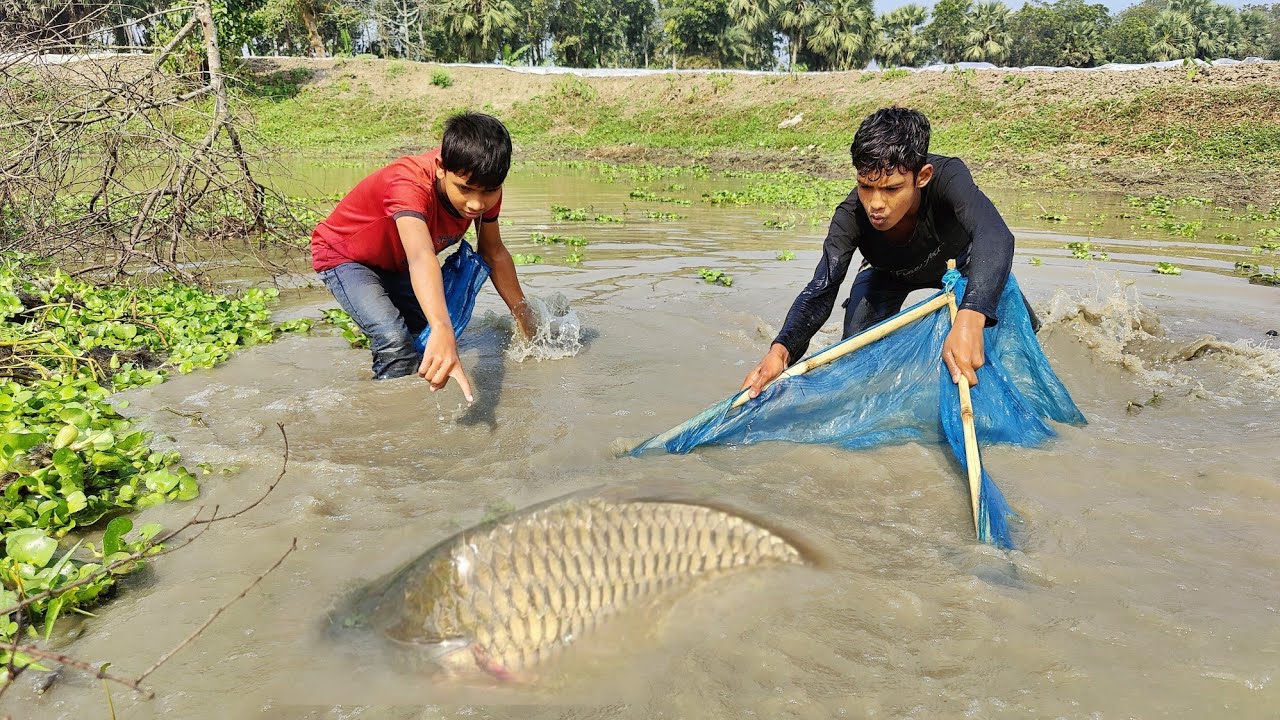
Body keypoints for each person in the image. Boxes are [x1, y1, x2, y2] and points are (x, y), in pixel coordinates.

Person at [741, 106, 1016, 398]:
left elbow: (995, 233)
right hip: (887, 275)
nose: (875, 204)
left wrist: (971, 316)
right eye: (865, 186)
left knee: (1009, 330)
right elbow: (823, 287)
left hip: (958, 265)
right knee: (857, 362)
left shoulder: (948, 178)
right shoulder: (851, 216)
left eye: (892, 189)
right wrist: (781, 352)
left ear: (921, 177)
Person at [312, 111, 534, 399]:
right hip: (346, 257)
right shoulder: (409, 183)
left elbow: (493, 252)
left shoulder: (483, 182)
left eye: (489, 191)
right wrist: (443, 327)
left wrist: (524, 315)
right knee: (394, 341)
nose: (477, 203)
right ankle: (389, 421)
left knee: (423, 337)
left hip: (397, 261)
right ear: (441, 167)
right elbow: (420, 255)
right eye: (465, 189)